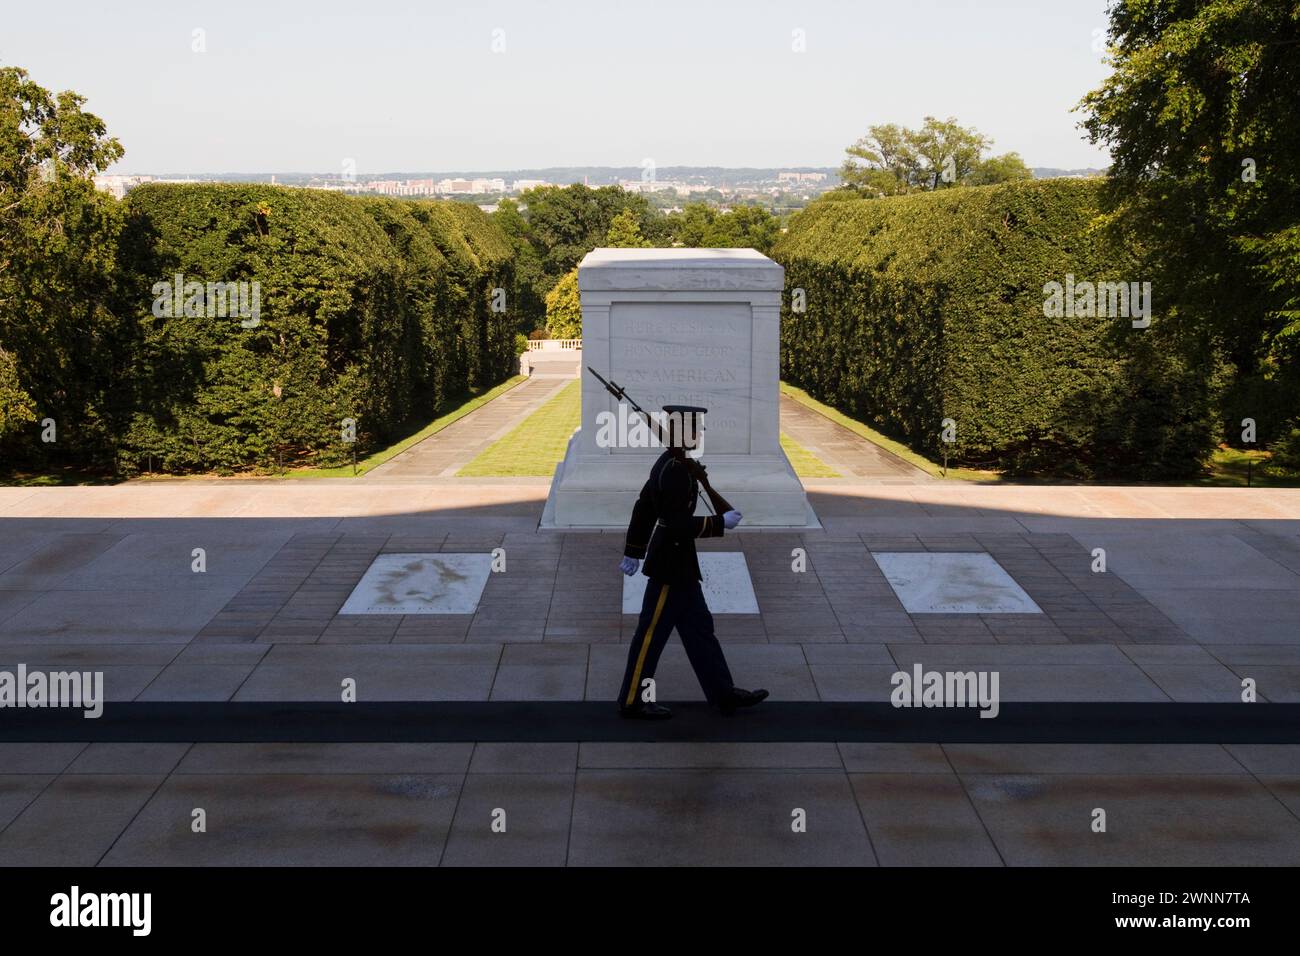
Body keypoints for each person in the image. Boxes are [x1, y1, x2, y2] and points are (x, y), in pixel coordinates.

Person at [616, 404, 769, 720]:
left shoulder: (674, 463)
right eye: (695, 428)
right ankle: (632, 700)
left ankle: (723, 694)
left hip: (680, 566)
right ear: (682, 432)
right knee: (650, 635)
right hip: (669, 567)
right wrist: (718, 523)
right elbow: (671, 521)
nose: (700, 432)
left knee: (700, 631)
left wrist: (633, 549)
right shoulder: (674, 470)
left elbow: (643, 507)